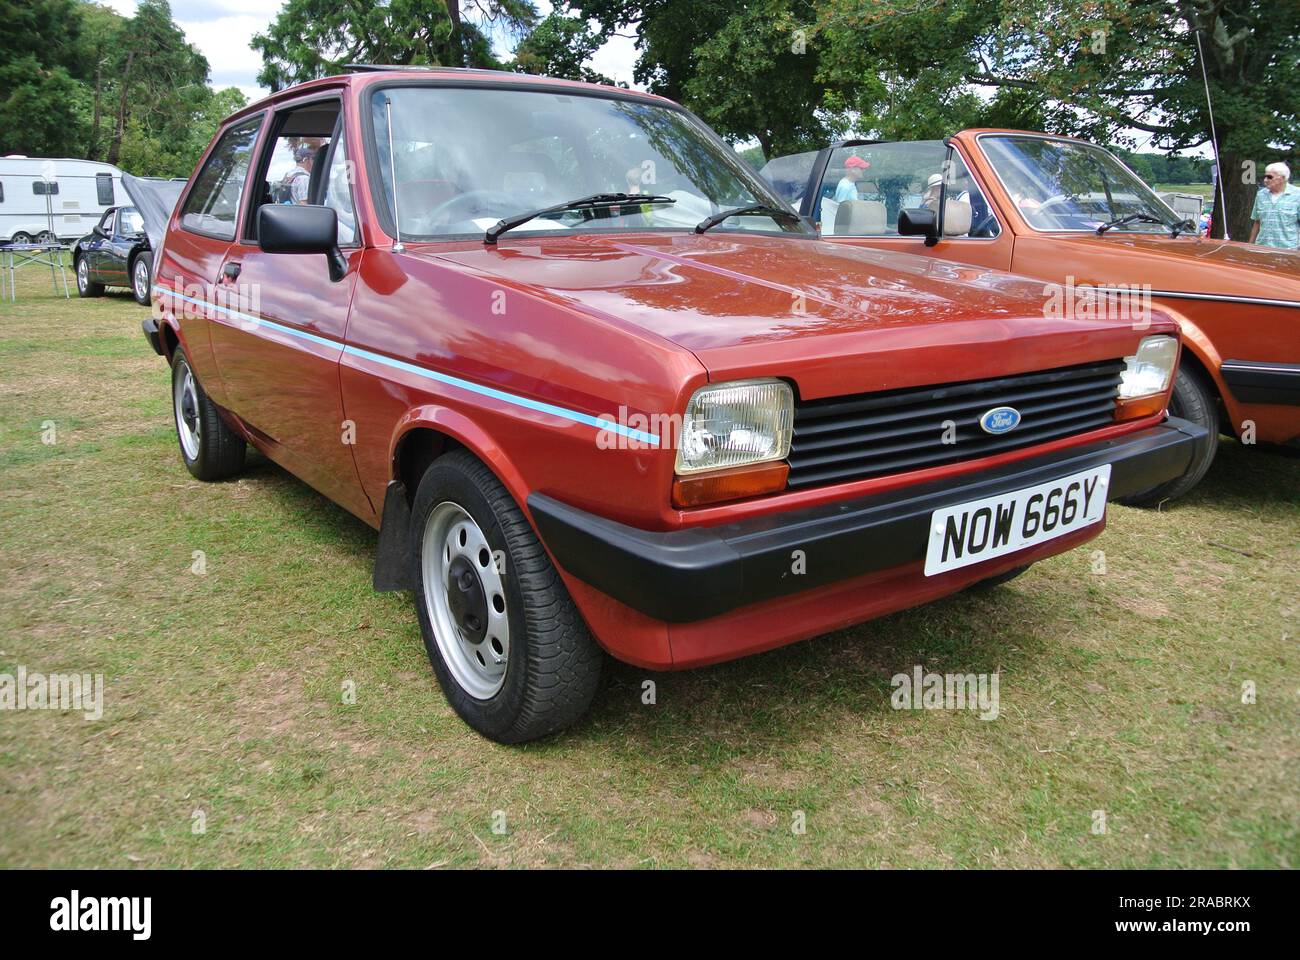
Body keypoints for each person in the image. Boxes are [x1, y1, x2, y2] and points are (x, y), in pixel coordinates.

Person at [1248, 162, 1300, 249]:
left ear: (1282, 178)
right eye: (1265, 177)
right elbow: (1257, 222)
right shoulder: (1261, 195)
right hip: (1262, 248)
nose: (1265, 180)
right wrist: (1250, 245)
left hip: (1288, 250)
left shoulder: (1297, 195)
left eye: (1269, 177)